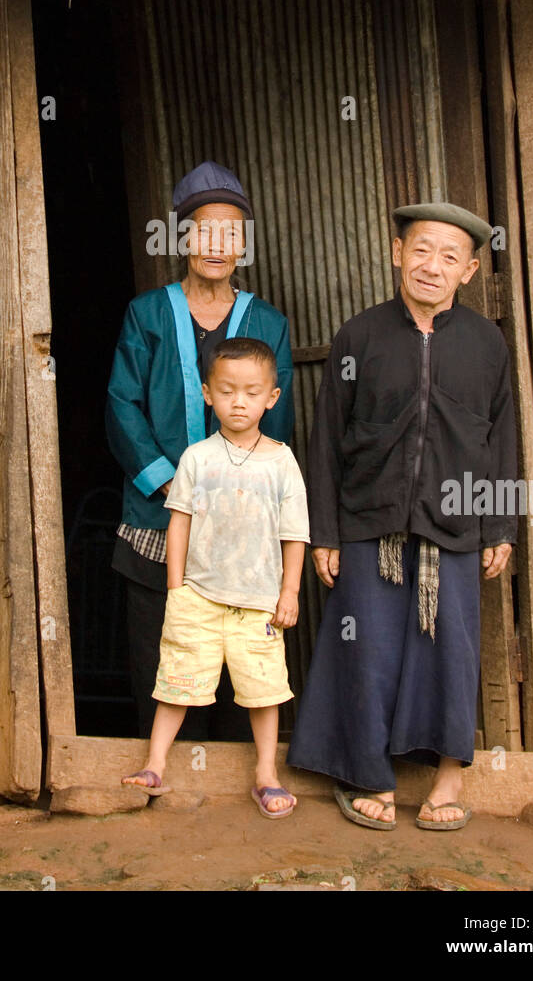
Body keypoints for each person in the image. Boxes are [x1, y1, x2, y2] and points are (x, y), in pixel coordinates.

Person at [287, 202, 518, 830]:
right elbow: (327, 438)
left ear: (468, 271)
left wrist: (500, 525)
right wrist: (325, 532)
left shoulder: (486, 343)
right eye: (420, 250)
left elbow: (502, 438)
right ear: (396, 254)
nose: (431, 266)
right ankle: (370, 776)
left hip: (456, 527)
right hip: (369, 524)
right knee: (369, 649)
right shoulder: (359, 337)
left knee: (451, 651)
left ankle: (446, 779)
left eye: (449, 256)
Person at [106, 161, 294, 736]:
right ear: (180, 237)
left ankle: (236, 775)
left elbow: (275, 422)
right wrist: (171, 482)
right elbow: (121, 404)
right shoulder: (147, 314)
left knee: (242, 659)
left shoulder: (267, 322)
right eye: (203, 230)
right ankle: (164, 768)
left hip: (240, 518)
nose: (216, 244)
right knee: (165, 653)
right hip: (157, 515)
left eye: (231, 232)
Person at [121, 337, 309, 815]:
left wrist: (289, 592)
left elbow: (295, 533)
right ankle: (155, 764)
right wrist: (175, 587)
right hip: (199, 598)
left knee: (264, 691)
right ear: (208, 394)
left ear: (272, 397)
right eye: (227, 391)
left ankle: (266, 774)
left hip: (259, 604)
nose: (238, 402)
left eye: (251, 392)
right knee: (176, 682)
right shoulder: (197, 458)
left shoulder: (282, 462)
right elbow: (179, 520)